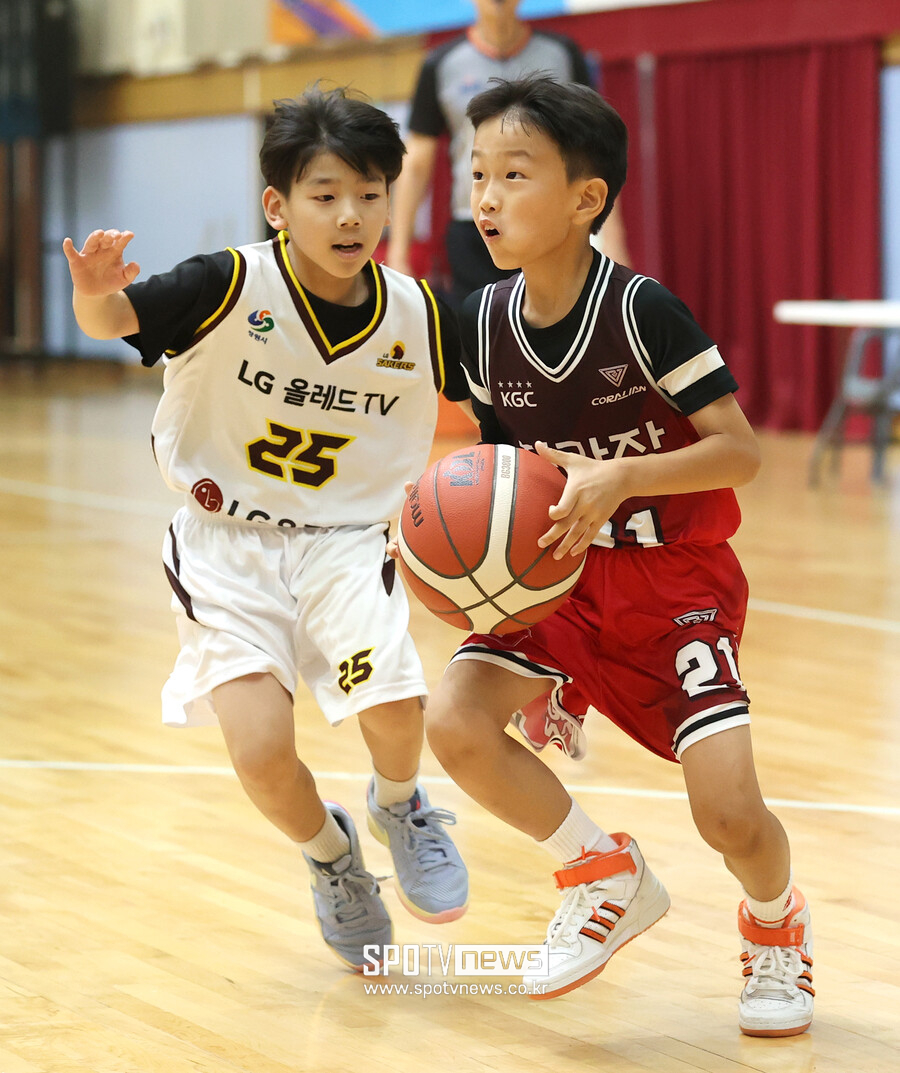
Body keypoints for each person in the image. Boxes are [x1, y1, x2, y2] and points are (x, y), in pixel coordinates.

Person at [421, 76, 814, 1037]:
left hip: (673, 580)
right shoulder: (475, 324)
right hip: (556, 574)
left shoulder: (642, 313)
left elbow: (742, 450)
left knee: (730, 815)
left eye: (515, 174)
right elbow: (493, 467)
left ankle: (776, 927)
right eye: (477, 174)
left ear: (586, 198)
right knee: (459, 722)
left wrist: (620, 480)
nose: (486, 196)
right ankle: (604, 871)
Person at [62, 86, 470, 972]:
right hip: (225, 548)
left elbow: (505, 403)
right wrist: (95, 294)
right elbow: (115, 321)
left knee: (396, 709)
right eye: (325, 194)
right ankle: (333, 859)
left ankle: (399, 805)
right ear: (279, 205)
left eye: (369, 193)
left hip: (348, 541)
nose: (351, 214)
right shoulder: (227, 284)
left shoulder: (422, 313)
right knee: (259, 751)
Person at [386, 0, 629, 308]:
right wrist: (398, 253)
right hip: (475, 229)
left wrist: (614, 238)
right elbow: (418, 161)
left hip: (552, 223)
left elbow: (595, 148)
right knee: (481, 335)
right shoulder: (440, 63)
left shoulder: (562, 53)